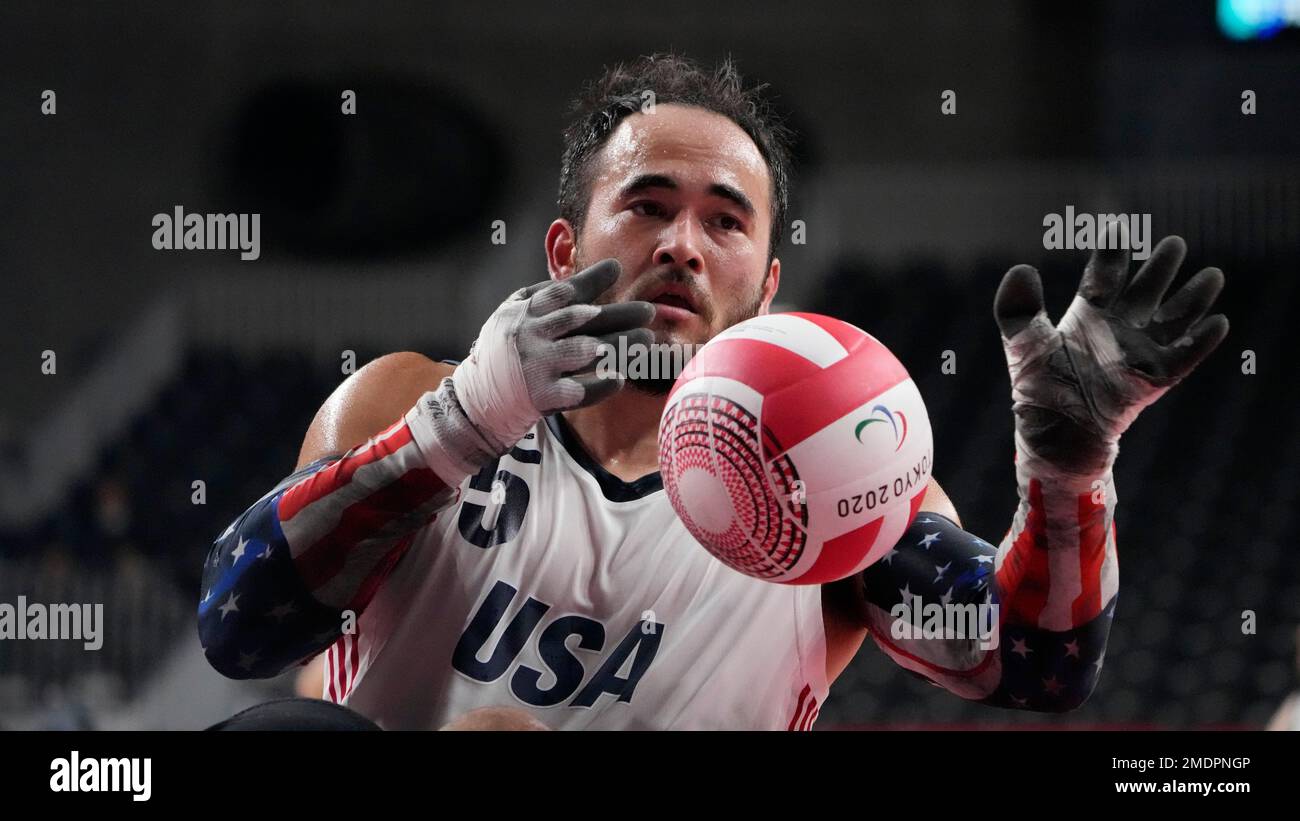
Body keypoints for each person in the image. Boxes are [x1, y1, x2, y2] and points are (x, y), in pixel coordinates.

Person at [197, 54, 1229, 729]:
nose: (683, 245)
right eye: (646, 205)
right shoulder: (407, 401)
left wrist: (1067, 477)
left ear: (768, 285)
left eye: (726, 221)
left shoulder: (845, 493)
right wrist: (462, 424)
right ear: (565, 249)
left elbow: (1037, 666)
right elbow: (239, 628)